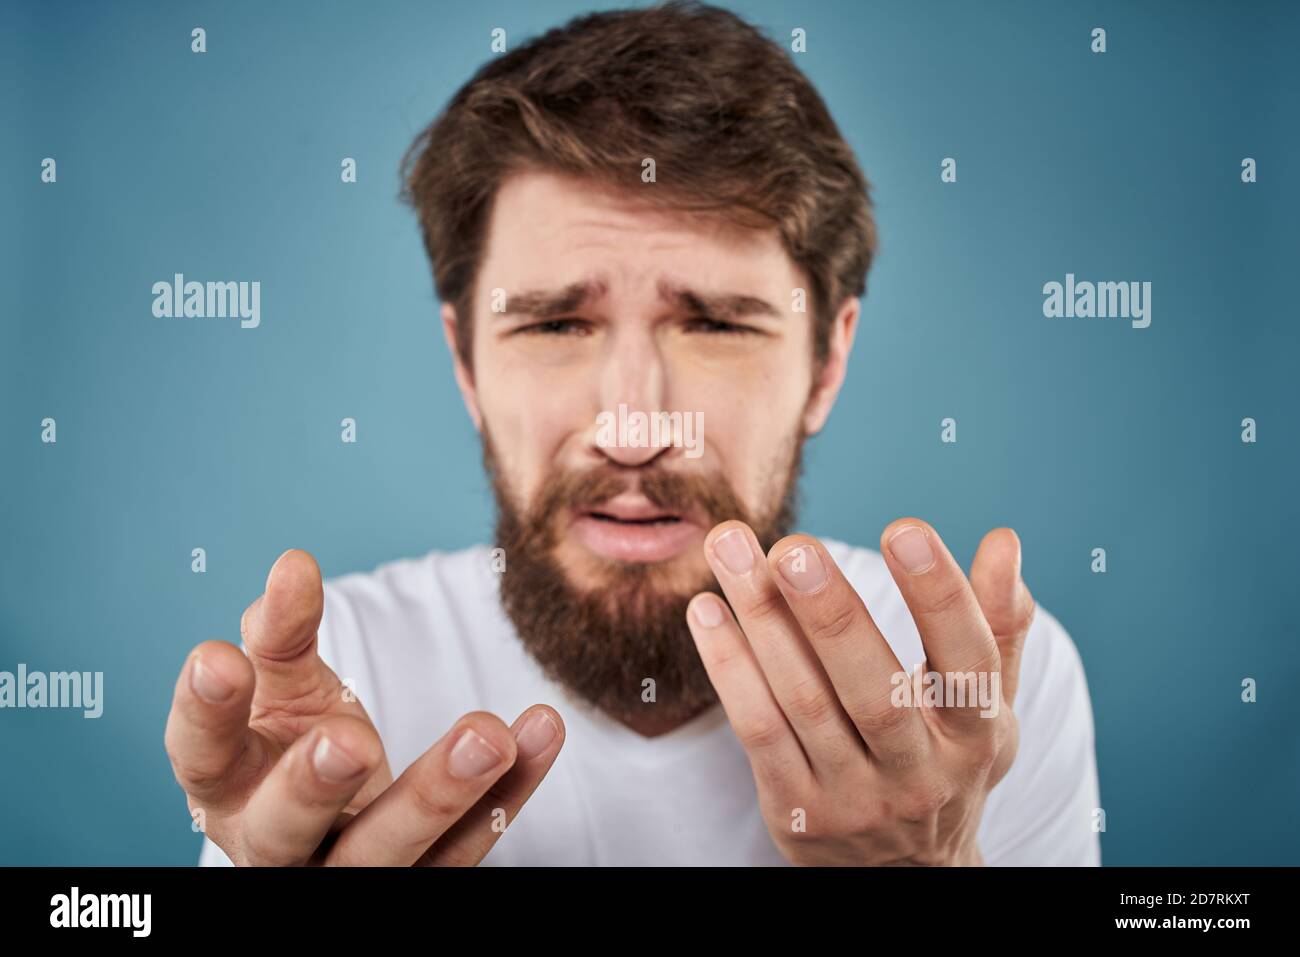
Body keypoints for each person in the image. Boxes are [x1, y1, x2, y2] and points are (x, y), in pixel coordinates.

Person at [167, 0, 1100, 866]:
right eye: (555, 325)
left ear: (826, 362)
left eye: (718, 323)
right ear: (466, 365)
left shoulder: (974, 701)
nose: (634, 427)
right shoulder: (341, 677)